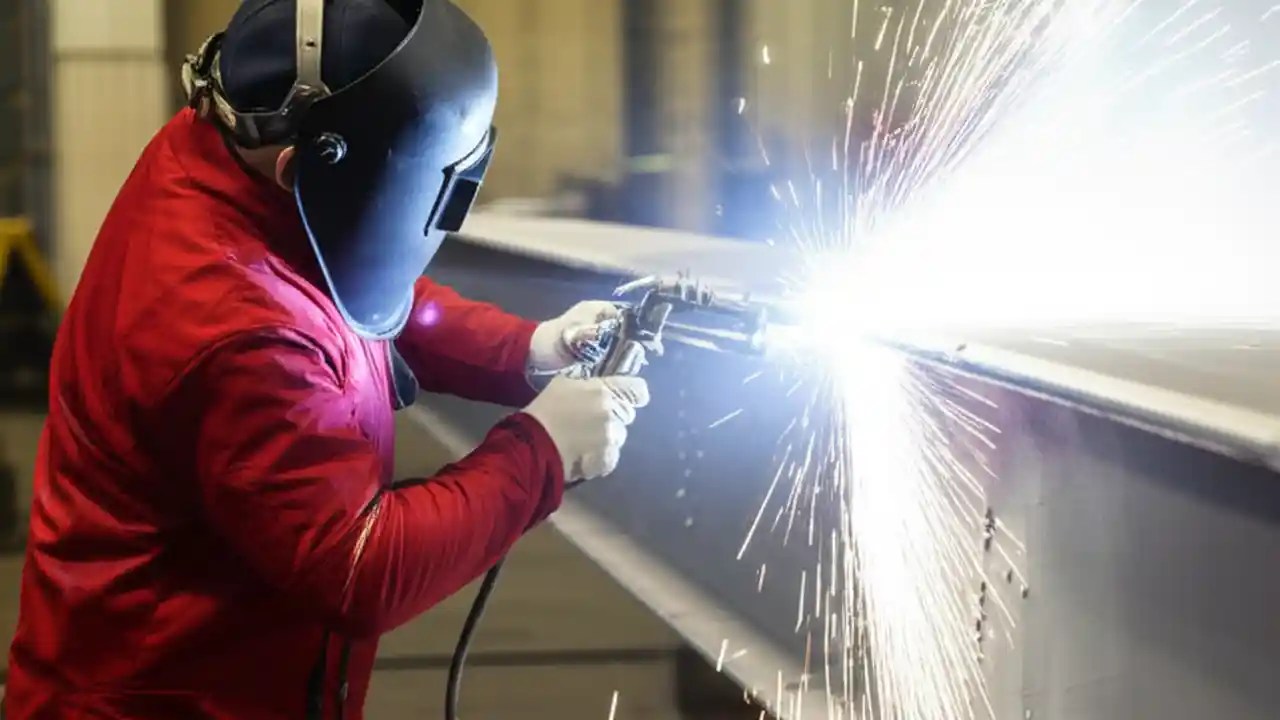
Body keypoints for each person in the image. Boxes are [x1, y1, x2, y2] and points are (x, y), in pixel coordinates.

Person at [4, 1, 648, 717]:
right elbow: (360, 566)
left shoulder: (217, 157)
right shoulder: (232, 323)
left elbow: (359, 281)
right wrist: (540, 452)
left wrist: (525, 349)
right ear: (306, 166)